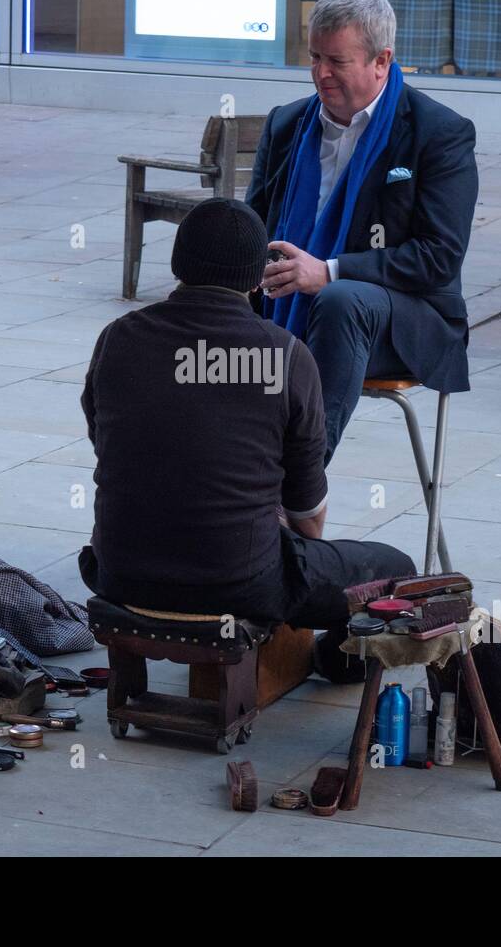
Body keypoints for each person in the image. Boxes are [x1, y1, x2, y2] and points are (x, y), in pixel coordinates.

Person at [78, 198, 415, 682]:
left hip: (116, 571)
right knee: (394, 568)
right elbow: (305, 508)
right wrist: (295, 555)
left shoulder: (118, 338)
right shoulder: (286, 355)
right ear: (258, 279)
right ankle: (332, 662)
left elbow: (107, 442)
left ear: (177, 266)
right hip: (239, 584)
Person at [246, 0, 479, 463]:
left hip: (403, 321)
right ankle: (203, 484)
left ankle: (298, 485)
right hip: (284, 312)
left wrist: (328, 270)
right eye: (314, 57)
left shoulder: (439, 133)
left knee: (338, 299)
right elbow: (253, 228)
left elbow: (438, 258)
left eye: (336, 61)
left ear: (381, 61)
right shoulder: (286, 124)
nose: (321, 73)